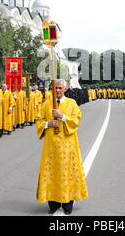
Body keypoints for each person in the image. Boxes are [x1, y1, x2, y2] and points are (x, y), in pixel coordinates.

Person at [35, 79, 88, 215]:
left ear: (65, 89)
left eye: (60, 88)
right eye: (55, 88)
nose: (57, 90)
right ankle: (53, 203)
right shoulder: (47, 104)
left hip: (68, 146)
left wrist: (62, 117)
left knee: (67, 172)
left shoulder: (72, 103)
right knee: (51, 173)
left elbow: (77, 120)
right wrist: (48, 124)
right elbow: (39, 120)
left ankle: (67, 203)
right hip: (51, 146)